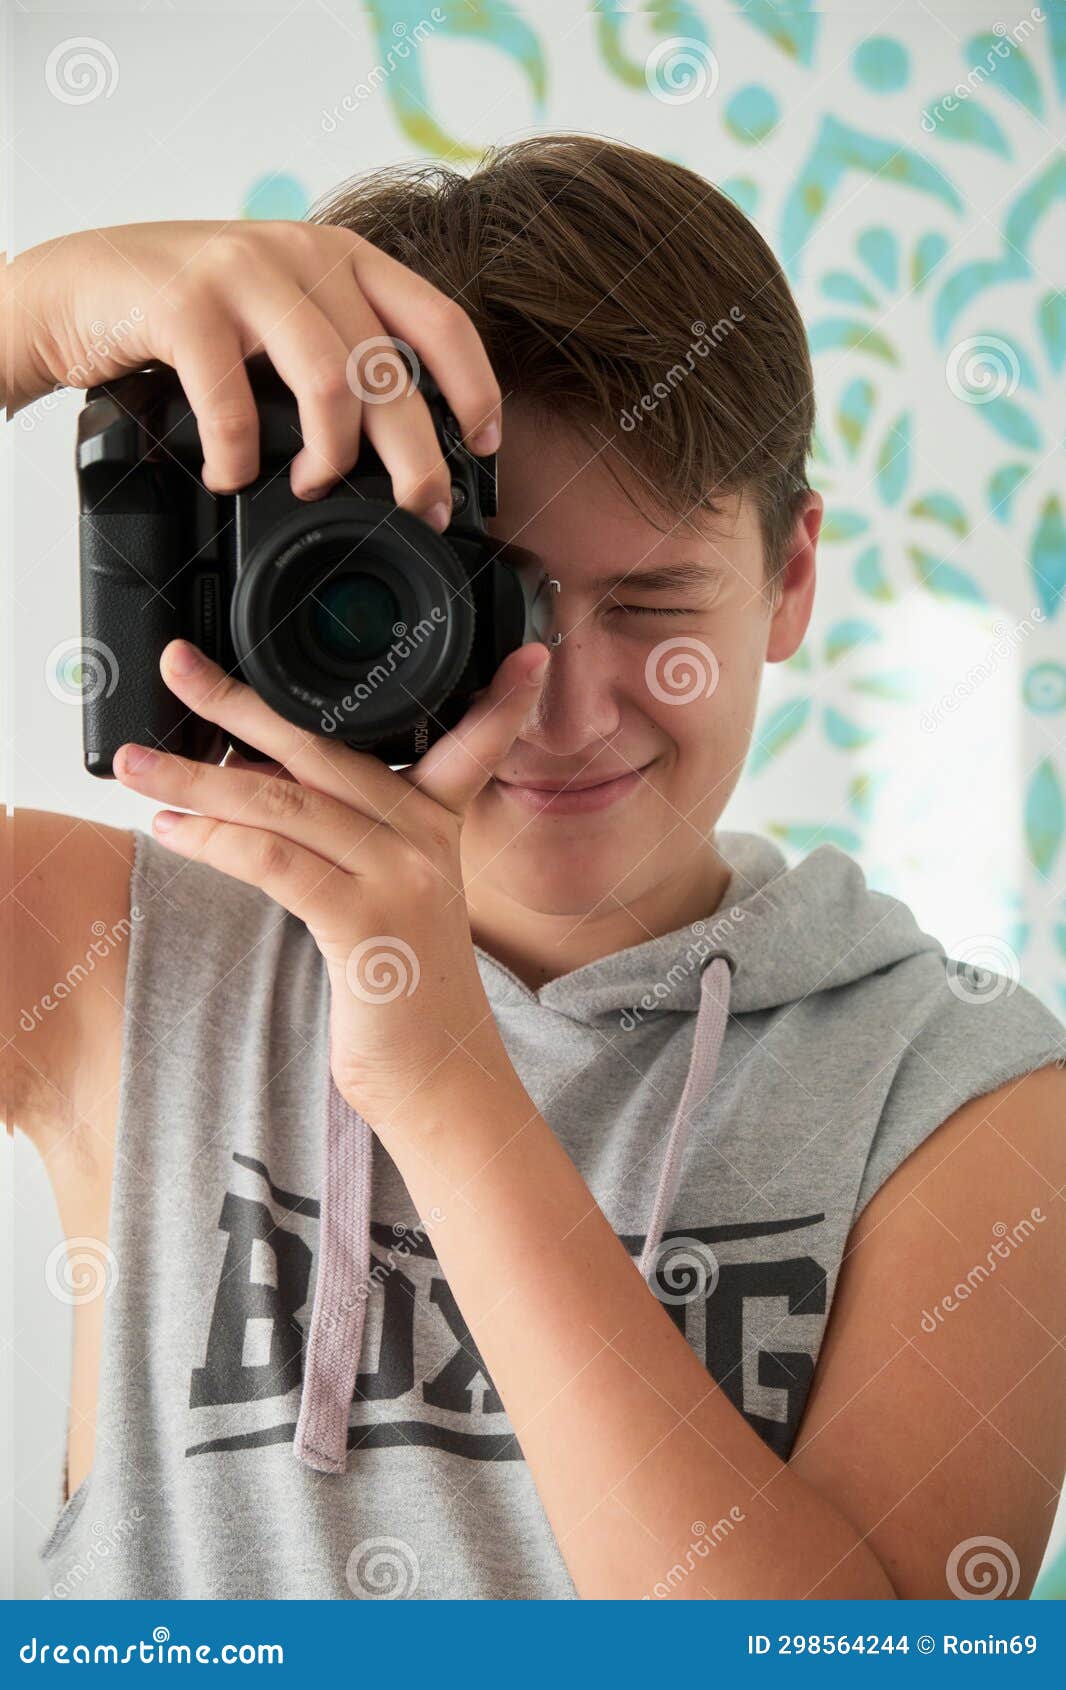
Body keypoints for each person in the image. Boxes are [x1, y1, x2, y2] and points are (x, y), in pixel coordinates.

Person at [4, 133, 1064, 1603]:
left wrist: (444, 1081)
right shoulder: (122, 953)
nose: (562, 706)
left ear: (789, 580)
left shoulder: (964, 1090)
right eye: (471, 594)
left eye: (650, 601)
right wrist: (31, 320)